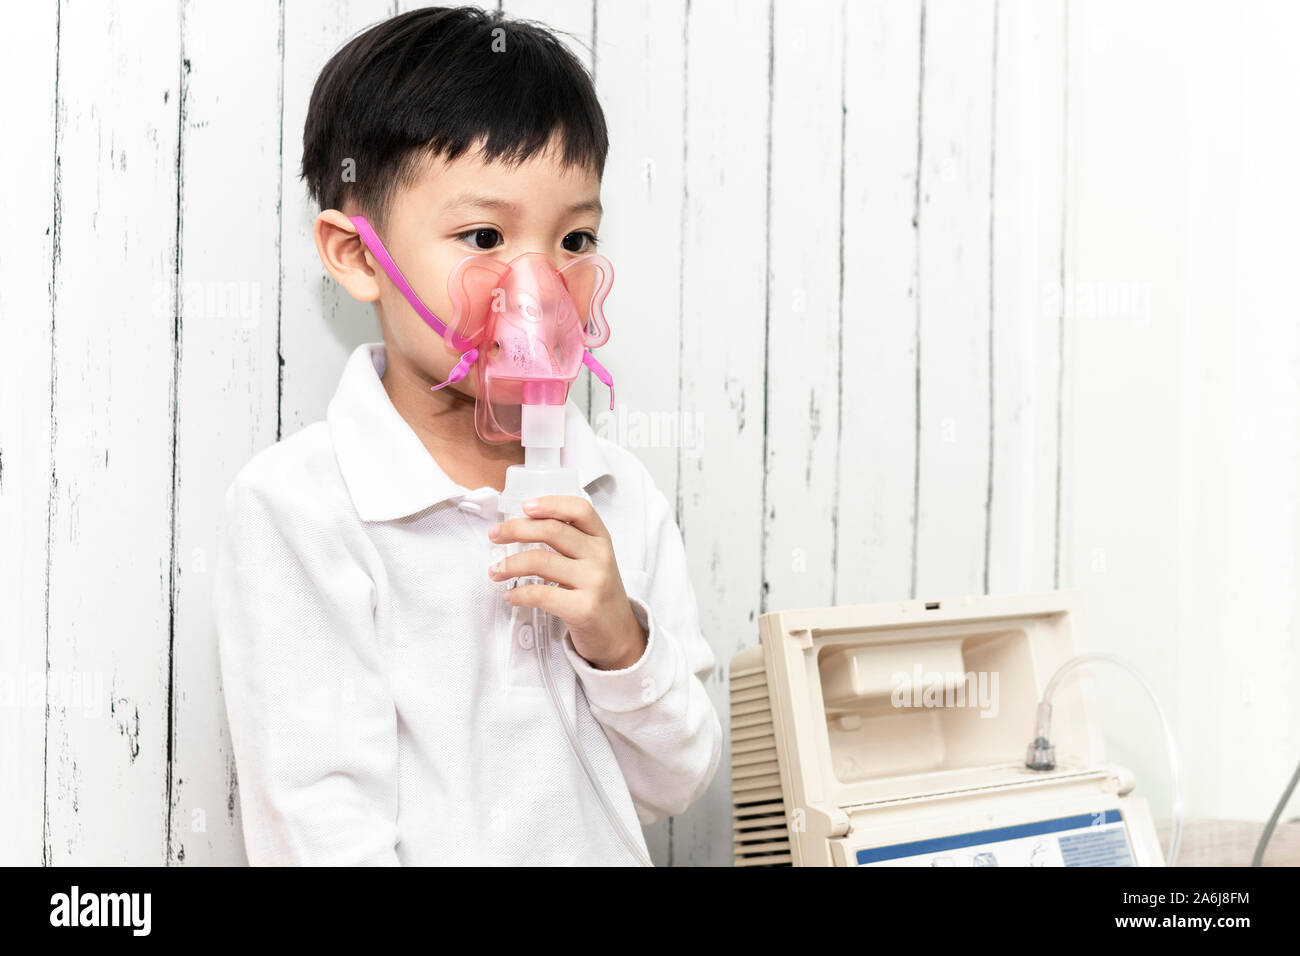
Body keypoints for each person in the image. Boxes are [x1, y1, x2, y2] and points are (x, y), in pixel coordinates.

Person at [212, 6, 721, 866]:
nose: (538, 284)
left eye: (574, 239)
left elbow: (674, 780)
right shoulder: (303, 510)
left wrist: (617, 641)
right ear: (358, 254)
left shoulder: (615, 493)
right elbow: (321, 834)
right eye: (484, 236)